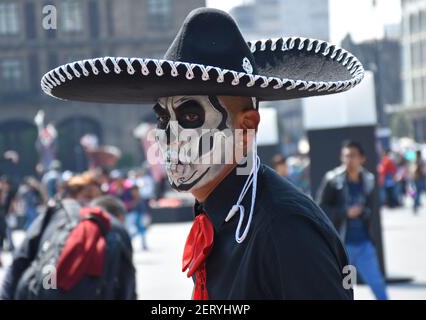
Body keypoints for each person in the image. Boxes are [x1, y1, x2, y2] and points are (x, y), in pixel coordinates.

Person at [41, 8, 364, 299]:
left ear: (246, 127)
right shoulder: (222, 211)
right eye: (162, 117)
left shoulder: (284, 229)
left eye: (190, 116)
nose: (166, 135)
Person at [0, 176, 136, 300]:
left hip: (48, 289)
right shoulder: (115, 226)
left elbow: (19, 263)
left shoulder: (56, 214)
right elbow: (127, 281)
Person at [316, 141, 388, 300]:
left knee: (377, 284)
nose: (349, 160)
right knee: (345, 289)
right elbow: (320, 208)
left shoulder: (368, 179)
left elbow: (371, 209)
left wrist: (363, 212)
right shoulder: (333, 179)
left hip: (364, 244)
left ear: (362, 158)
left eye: (353, 156)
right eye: (346, 156)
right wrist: (345, 212)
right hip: (343, 246)